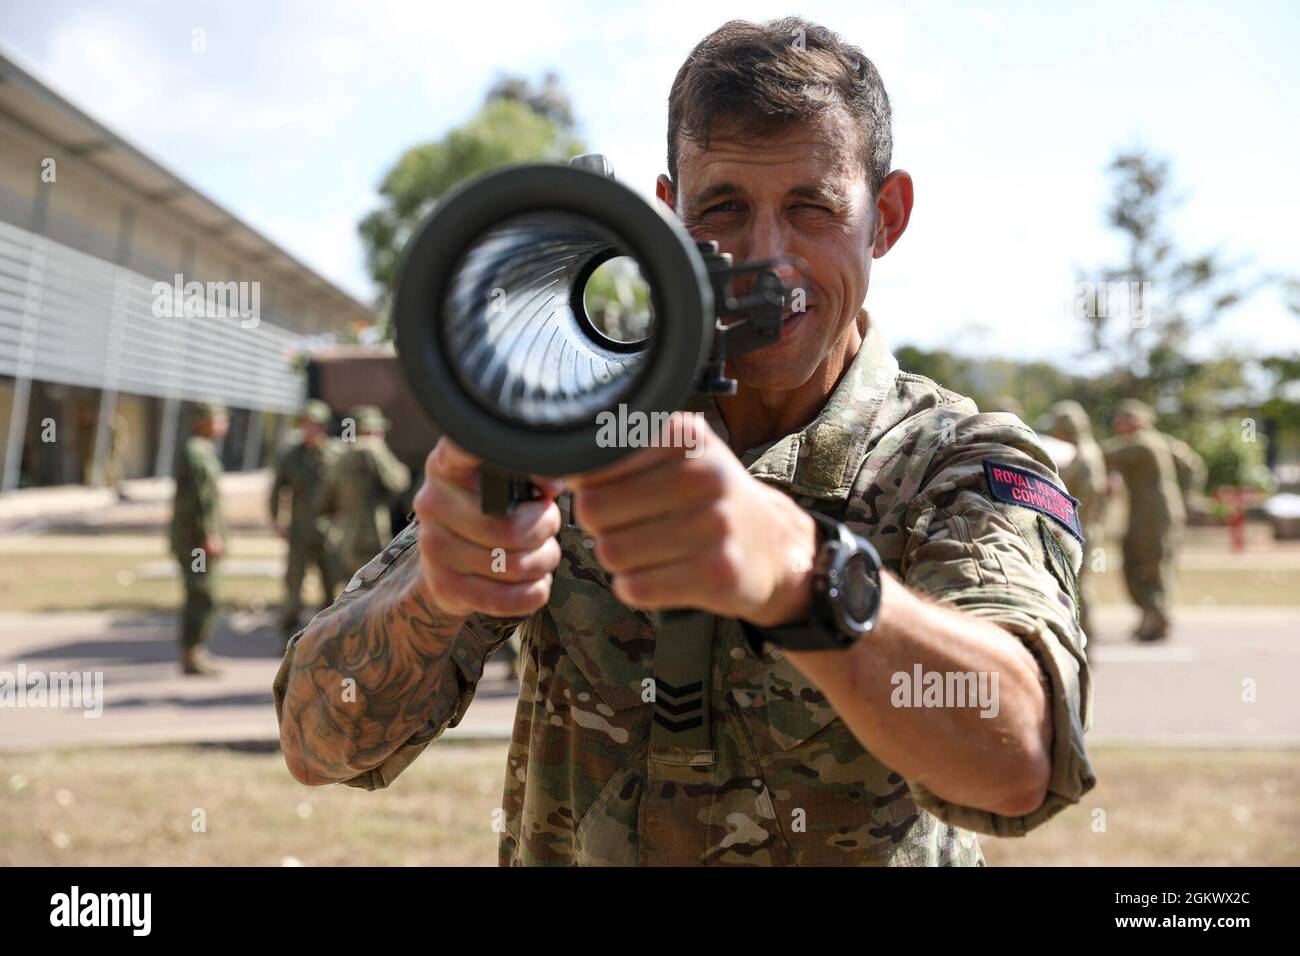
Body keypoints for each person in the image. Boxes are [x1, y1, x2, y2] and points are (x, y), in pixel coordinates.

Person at [275, 17, 1095, 866]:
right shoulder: (573, 425)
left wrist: (802, 574)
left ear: (884, 217)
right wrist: (434, 592)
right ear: (667, 215)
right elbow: (318, 742)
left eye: (813, 208)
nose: (768, 256)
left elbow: (1022, 760)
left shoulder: (960, 461)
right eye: (724, 208)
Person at [1102, 399, 1184, 642]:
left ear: (1137, 421)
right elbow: (1192, 464)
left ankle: (1157, 618)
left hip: (1152, 512)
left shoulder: (1141, 442)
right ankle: (1152, 616)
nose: (1118, 424)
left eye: (1123, 419)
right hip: (1153, 509)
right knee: (1144, 561)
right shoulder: (1163, 441)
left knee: (1149, 563)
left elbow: (1104, 454)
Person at [270, 400, 343, 640]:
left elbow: (348, 493)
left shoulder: (337, 454)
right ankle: (288, 639)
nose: (309, 429)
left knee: (332, 587)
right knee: (294, 587)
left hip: (328, 531)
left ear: (323, 426)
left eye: (314, 424)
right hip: (300, 530)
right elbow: (277, 490)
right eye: (305, 424)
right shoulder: (291, 456)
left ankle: (328, 639)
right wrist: (276, 520)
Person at [170, 402, 228, 675]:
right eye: (218, 418)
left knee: (204, 593)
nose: (223, 423)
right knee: (202, 593)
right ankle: (192, 653)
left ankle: (195, 651)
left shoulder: (204, 450)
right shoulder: (195, 452)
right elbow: (200, 501)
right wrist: (209, 535)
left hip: (199, 538)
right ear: (202, 421)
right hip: (195, 541)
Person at [319, 405, 411, 578]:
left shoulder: (341, 456)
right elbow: (399, 483)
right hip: (371, 536)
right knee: (372, 589)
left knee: (350, 591)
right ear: (372, 431)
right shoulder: (373, 451)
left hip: (345, 537)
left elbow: (325, 499)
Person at [1048, 401, 1109, 637]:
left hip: (1078, 530)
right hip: (1078, 528)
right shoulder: (1082, 451)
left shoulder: (1084, 456)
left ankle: (1084, 639)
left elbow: (1089, 495)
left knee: (1078, 587)